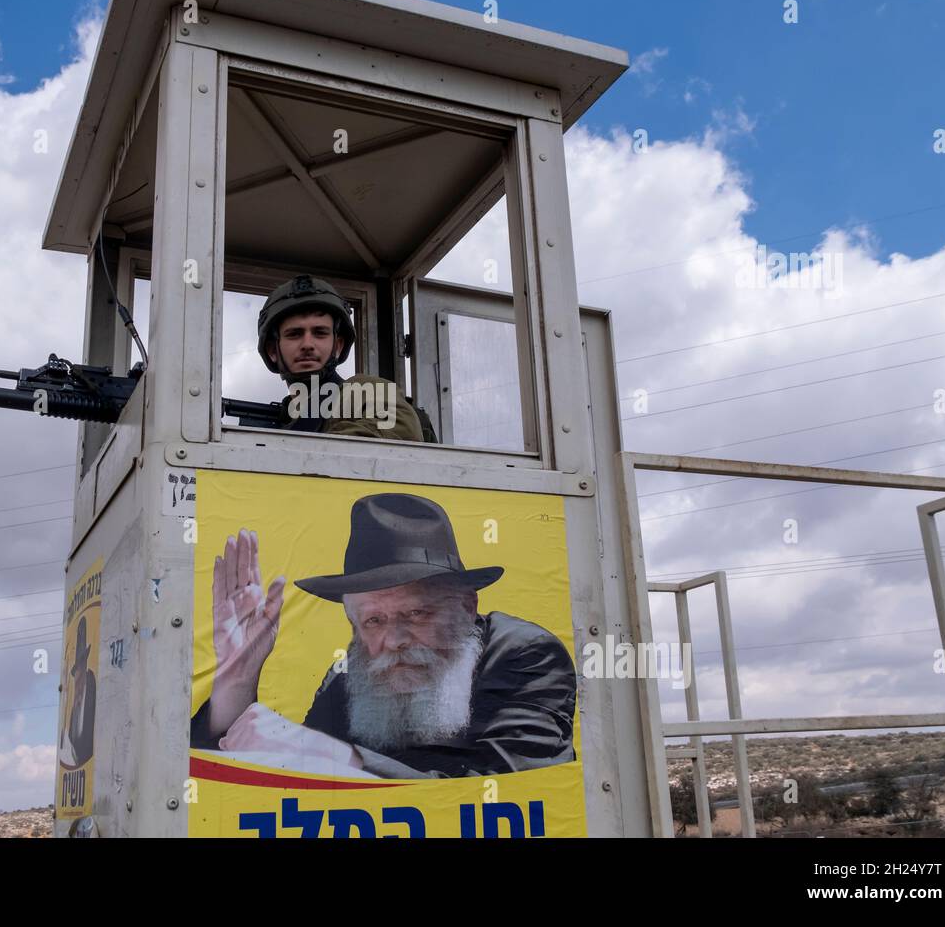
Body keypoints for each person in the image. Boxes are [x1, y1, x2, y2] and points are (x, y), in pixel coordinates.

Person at [190, 493, 576, 779]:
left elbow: (519, 792)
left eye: (416, 613)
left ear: (466, 606)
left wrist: (341, 758)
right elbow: (272, 776)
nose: (394, 640)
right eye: (373, 621)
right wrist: (238, 679)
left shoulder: (527, 655)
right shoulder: (352, 675)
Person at [254, 274, 426, 441]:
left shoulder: (363, 390)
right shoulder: (285, 418)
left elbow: (401, 429)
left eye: (320, 333)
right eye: (294, 334)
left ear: (338, 345)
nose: (307, 344)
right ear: (272, 351)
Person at [59, 616, 96, 767]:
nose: (78, 682)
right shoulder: (74, 707)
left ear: (85, 666)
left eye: (80, 669)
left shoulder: (92, 689)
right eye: (76, 677)